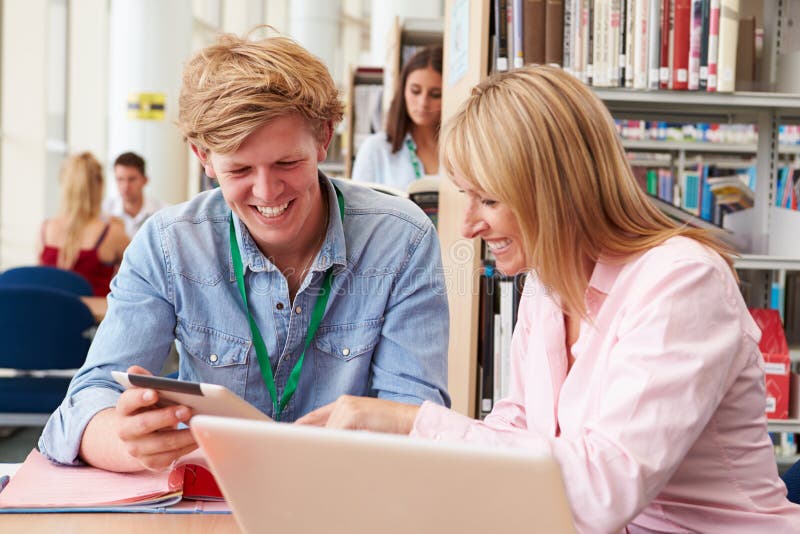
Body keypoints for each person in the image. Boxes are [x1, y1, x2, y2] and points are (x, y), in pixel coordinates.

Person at [298, 66, 800, 532]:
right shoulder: (546, 284)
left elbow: (604, 489)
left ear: (558, 192)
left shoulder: (682, 281)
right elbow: (518, 426)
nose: (470, 225)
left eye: (489, 200)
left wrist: (411, 423)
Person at [38, 32, 450, 473]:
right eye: (238, 169)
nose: (267, 191)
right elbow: (85, 402)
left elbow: (415, 417)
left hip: (348, 496)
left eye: (287, 164)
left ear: (323, 138)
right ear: (204, 157)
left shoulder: (401, 240)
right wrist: (126, 440)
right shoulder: (168, 245)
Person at [351, 45, 442, 190]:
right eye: (415, 91)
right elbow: (355, 208)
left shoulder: (460, 151)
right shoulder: (375, 149)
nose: (423, 103)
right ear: (403, 91)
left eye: (435, 94)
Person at [39, 152, 129, 296]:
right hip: (93, 318)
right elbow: (139, 282)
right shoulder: (112, 233)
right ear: (99, 185)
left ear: (64, 185)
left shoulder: (45, 230)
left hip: (48, 317)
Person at [102, 152, 166, 237]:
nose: (125, 186)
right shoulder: (103, 212)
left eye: (132, 179)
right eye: (120, 179)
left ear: (145, 180)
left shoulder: (163, 213)